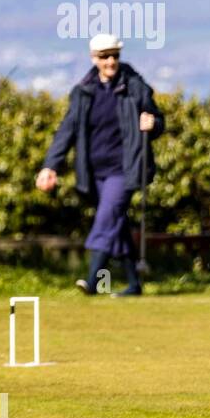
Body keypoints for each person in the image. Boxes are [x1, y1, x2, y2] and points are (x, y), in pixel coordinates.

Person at [35, 34, 164, 297]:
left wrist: (154, 125)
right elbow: (67, 131)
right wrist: (51, 166)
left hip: (126, 168)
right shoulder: (83, 92)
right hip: (94, 172)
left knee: (107, 218)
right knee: (116, 221)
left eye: (115, 55)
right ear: (94, 58)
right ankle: (134, 284)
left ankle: (92, 281)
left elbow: (157, 119)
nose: (111, 61)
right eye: (105, 56)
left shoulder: (135, 87)